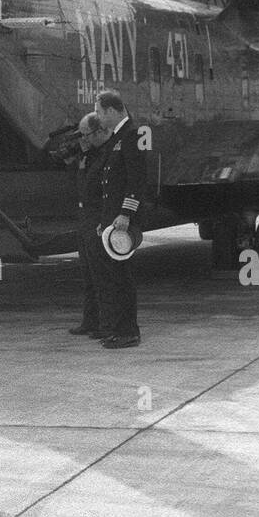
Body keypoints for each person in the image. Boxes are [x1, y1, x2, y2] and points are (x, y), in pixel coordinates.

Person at [93, 89, 146, 349]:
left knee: (122, 277)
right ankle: (118, 329)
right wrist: (106, 219)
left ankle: (129, 332)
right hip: (113, 221)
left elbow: (137, 181)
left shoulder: (132, 135)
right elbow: (111, 186)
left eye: (101, 112)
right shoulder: (117, 138)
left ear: (113, 111)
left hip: (123, 221)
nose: (99, 118)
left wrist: (126, 213)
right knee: (115, 277)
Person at [68, 112, 108, 338]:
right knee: (88, 275)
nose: (83, 139)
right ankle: (90, 321)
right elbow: (79, 186)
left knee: (100, 274)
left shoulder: (105, 156)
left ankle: (105, 323)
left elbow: (97, 189)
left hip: (95, 217)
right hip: (84, 218)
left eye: (86, 135)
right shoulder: (89, 156)